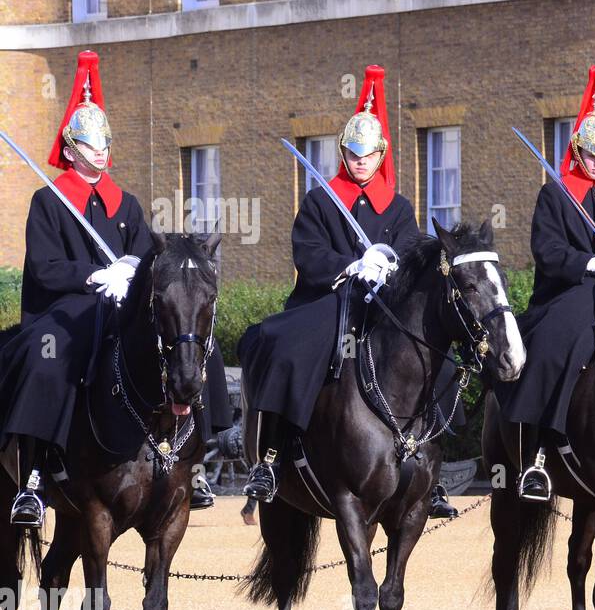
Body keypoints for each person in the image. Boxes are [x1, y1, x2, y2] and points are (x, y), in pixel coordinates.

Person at [0, 51, 227, 525]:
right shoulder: (49, 201)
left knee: (195, 346)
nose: (100, 151)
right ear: (71, 147)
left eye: (104, 143)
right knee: (45, 362)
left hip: (120, 307)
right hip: (68, 309)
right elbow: (43, 267)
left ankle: (199, 456)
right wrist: (92, 276)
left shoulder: (125, 203)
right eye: (90, 144)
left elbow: (151, 258)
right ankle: (34, 478)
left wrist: (133, 267)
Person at [238, 65, 458, 514]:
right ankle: (270, 458)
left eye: (368, 155)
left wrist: (389, 267)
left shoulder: (398, 208)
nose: (360, 161)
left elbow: (413, 256)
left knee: (444, 361)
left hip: (383, 307)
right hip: (331, 300)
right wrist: (351, 265)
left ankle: (432, 468)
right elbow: (307, 253)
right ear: (343, 153)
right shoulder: (320, 199)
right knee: (283, 347)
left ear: (381, 156)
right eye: (352, 154)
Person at [493, 64, 595, 502]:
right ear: (578, 150)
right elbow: (547, 252)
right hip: (569, 293)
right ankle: (536, 454)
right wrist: (592, 264)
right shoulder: (555, 194)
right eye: (590, 153)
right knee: (554, 341)